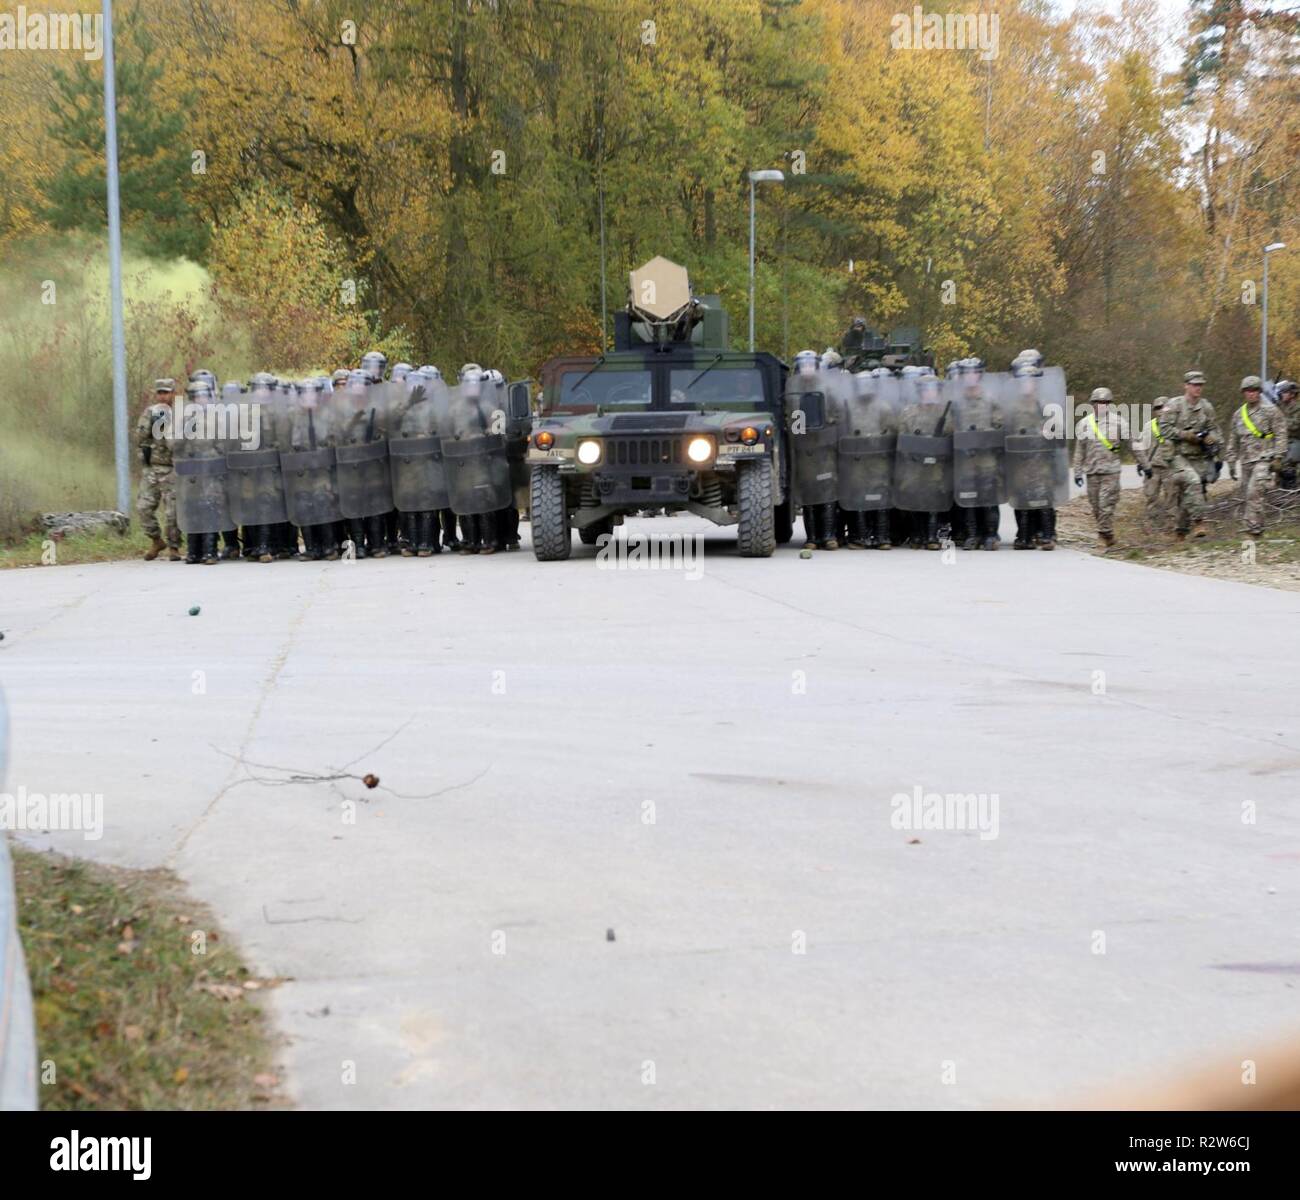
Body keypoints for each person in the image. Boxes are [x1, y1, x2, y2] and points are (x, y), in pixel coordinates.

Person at [1158, 370, 1220, 539]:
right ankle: (1199, 521)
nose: (1198, 388)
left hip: (1198, 456)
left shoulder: (1206, 407)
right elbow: (1164, 429)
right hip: (1178, 456)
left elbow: (1214, 429)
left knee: (1190, 494)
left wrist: (1210, 438)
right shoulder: (1174, 405)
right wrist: (1185, 435)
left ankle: (1180, 531)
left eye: (1200, 385)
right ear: (1186, 386)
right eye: (1194, 385)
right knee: (1193, 482)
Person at [1225, 375, 1287, 538]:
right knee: (1249, 495)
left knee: (1254, 492)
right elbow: (1233, 440)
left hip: (1264, 458)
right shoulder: (1238, 415)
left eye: (1254, 390)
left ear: (1259, 392)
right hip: (1246, 460)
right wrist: (1231, 462)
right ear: (1243, 392)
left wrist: (1278, 457)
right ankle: (1258, 529)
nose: (1251, 393)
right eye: (1248, 390)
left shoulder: (1271, 411)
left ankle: (1251, 530)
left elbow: (1281, 433)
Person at [1072, 386, 1129, 548]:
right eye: (1098, 402)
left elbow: (1133, 444)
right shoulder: (1084, 424)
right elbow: (1079, 450)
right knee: (1096, 506)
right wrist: (1077, 472)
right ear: (1093, 404)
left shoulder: (1119, 422)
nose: (1102, 405)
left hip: (1111, 471)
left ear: (1109, 404)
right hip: (1092, 471)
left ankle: (1102, 536)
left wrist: (1144, 464)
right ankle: (1108, 534)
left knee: (1106, 504)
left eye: (1105, 402)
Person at [135, 378, 182, 560]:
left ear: (173, 393)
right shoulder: (150, 412)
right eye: (160, 393)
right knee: (143, 507)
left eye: (166, 392)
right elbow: (140, 438)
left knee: (173, 512)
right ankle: (156, 540)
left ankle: (174, 546)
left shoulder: (180, 414)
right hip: (153, 468)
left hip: (172, 469)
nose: (163, 396)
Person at [1133, 397, 1172, 523]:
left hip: (1170, 468)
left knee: (1172, 497)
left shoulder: (1175, 426)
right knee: (1151, 496)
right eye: (1157, 408)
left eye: (1163, 407)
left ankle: (1172, 524)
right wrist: (1140, 463)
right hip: (1152, 468)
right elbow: (1141, 446)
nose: (1160, 410)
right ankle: (1152, 524)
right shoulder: (1148, 426)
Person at [1274, 379, 1298, 489]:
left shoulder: (1298, 408)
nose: (1281, 394)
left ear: (1292, 395)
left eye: (1284, 392)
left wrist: (1280, 421)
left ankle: (1291, 486)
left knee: (1288, 466)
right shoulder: (1280, 406)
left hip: (1295, 440)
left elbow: (1294, 425)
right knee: (1275, 466)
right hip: (1282, 440)